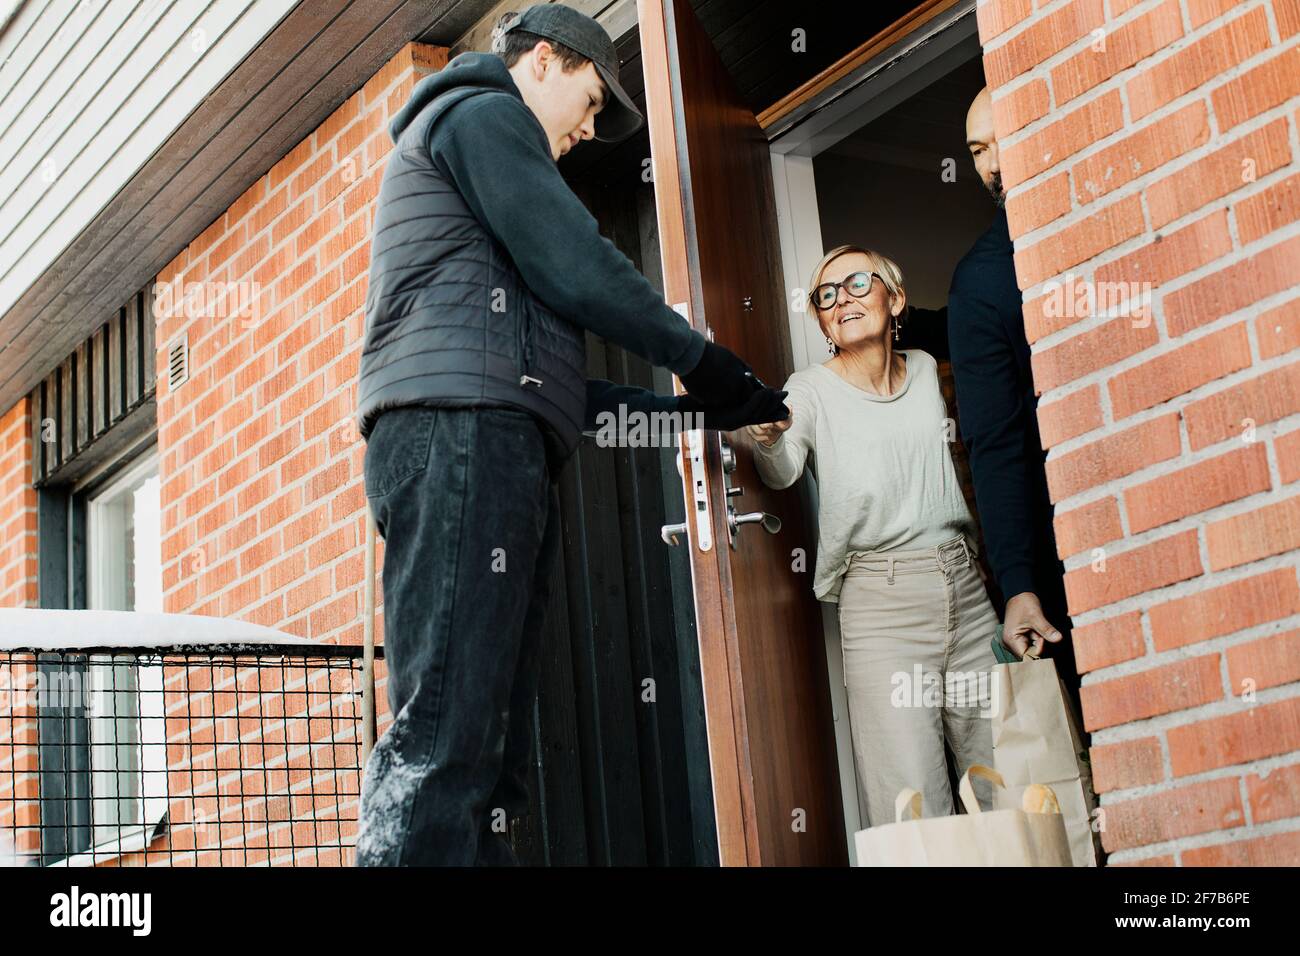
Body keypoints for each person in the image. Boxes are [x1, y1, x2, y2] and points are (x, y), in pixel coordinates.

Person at [353, 4, 788, 866]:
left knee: (487, 747)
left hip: (490, 440)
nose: (590, 132)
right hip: (458, 440)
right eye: (590, 104)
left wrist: (699, 409)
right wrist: (702, 359)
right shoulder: (482, 117)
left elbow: (561, 392)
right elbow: (578, 264)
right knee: (445, 735)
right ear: (543, 61)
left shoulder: (492, 212)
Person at [746, 246, 999, 824]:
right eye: (827, 295)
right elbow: (783, 469)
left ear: (897, 298)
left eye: (858, 282)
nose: (843, 299)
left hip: (966, 589)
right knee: (910, 801)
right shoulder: (809, 389)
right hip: (882, 608)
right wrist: (767, 438)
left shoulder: (933, 376)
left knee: (1009, 781)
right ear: (822, 321)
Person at [949, 87, 1079, 711]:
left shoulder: (1109, 217)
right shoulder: (980, 283)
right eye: (978, 150)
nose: (992, 163)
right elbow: (995, 447)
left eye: (1003, 139)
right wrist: (1020, 586)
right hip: (1070, 550)